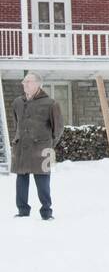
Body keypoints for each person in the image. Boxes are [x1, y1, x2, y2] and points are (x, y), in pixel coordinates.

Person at [11, 72, 63, 220]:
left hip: (43, 149)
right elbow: (17, 124)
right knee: (21, 180)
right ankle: (22, 211)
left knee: (43, 182)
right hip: (21, 147)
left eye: (28, 81)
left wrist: (48, 145)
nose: (24, 84)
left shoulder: (51, 103)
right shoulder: (17, 102)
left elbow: (58, 129)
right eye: (24, 81)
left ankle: (46, 212)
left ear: (38, 84)